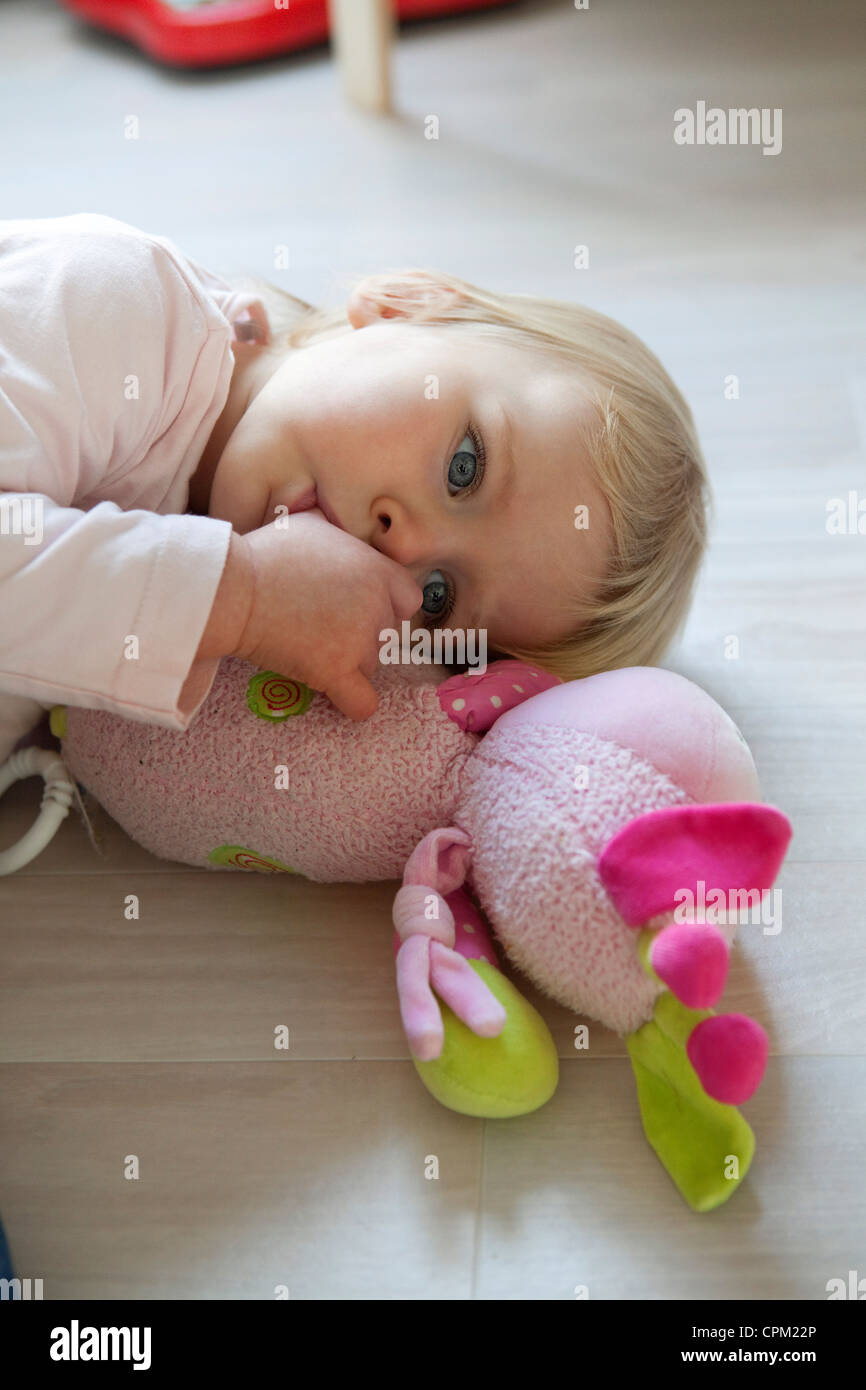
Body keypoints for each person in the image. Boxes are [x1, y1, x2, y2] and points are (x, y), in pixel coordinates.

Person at [0, 212, 709, 763]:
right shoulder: (116, 304)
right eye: (465, 466)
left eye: (439, 597)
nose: (407, 544)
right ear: (407, 307)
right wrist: (240, 598)